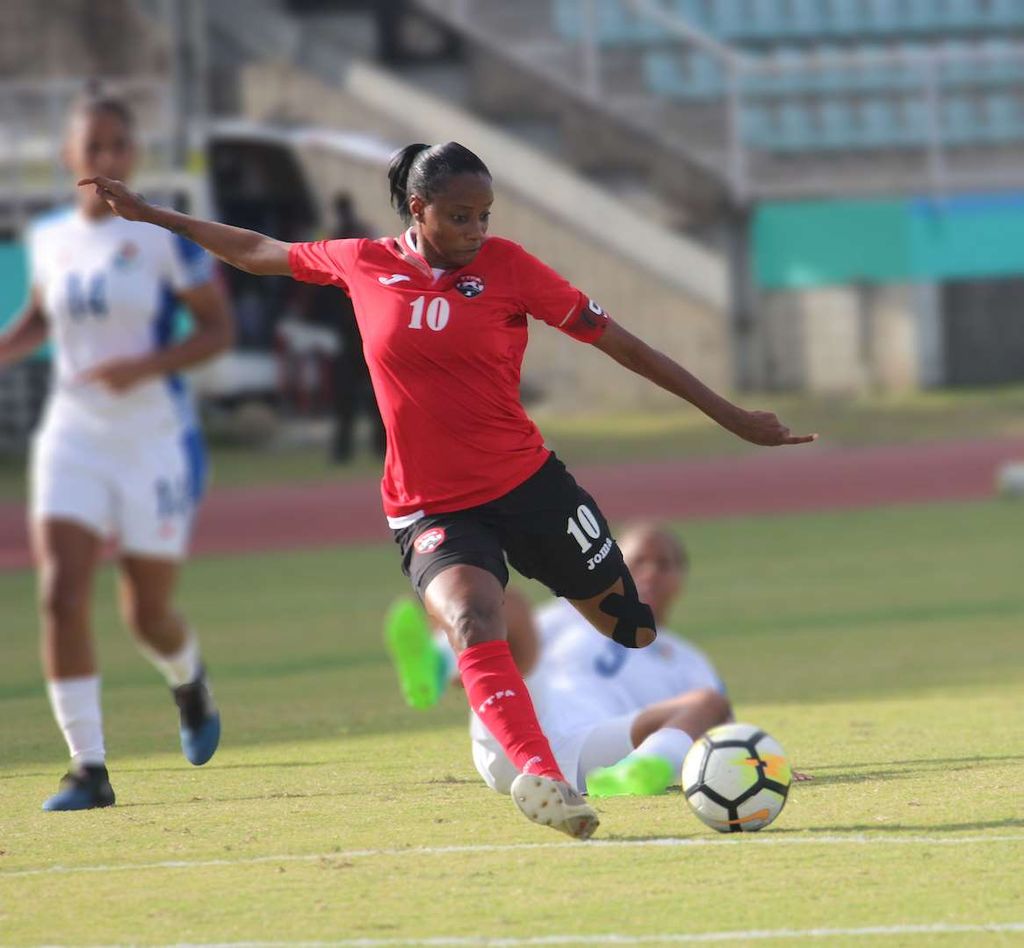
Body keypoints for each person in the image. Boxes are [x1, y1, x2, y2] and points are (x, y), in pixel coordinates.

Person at [79, 141, 816, 839]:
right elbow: (256, 251)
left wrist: (730, 416)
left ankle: (514, 695)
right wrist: (155, 215)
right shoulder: (362, 263)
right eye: (460, 216)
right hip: (430, 505)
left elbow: (621, 343)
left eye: (485, 216)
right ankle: (541, 777)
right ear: (418, 209)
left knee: (634, 629)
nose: (475, 229)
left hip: (530, 485)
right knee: (471, 613)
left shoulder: (512, 268)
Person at [0, 94, 232, 811]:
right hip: (71, 432)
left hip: (151, 440)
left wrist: (145, 366)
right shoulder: (47, 238)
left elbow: (217, 331)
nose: (104, 159)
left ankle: (187, 680)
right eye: (91, 146)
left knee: (145, 615)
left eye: (117, 146)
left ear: (134, 156)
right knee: (61, 594)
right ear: (69, 158)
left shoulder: (164, 237)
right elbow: (40, 317)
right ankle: (87, 767)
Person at [388, 523, 729, 797]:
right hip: (524, 721)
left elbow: (717, 729)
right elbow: (501, 649)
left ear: (680, 579)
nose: (651, 573)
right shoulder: (573, 615)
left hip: (596, 752)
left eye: (664, 564)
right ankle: (435, 667)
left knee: (709, 702)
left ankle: (641, 772)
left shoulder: (687, 659)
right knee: (506, 608)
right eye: (638, 562)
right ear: (614, 567)